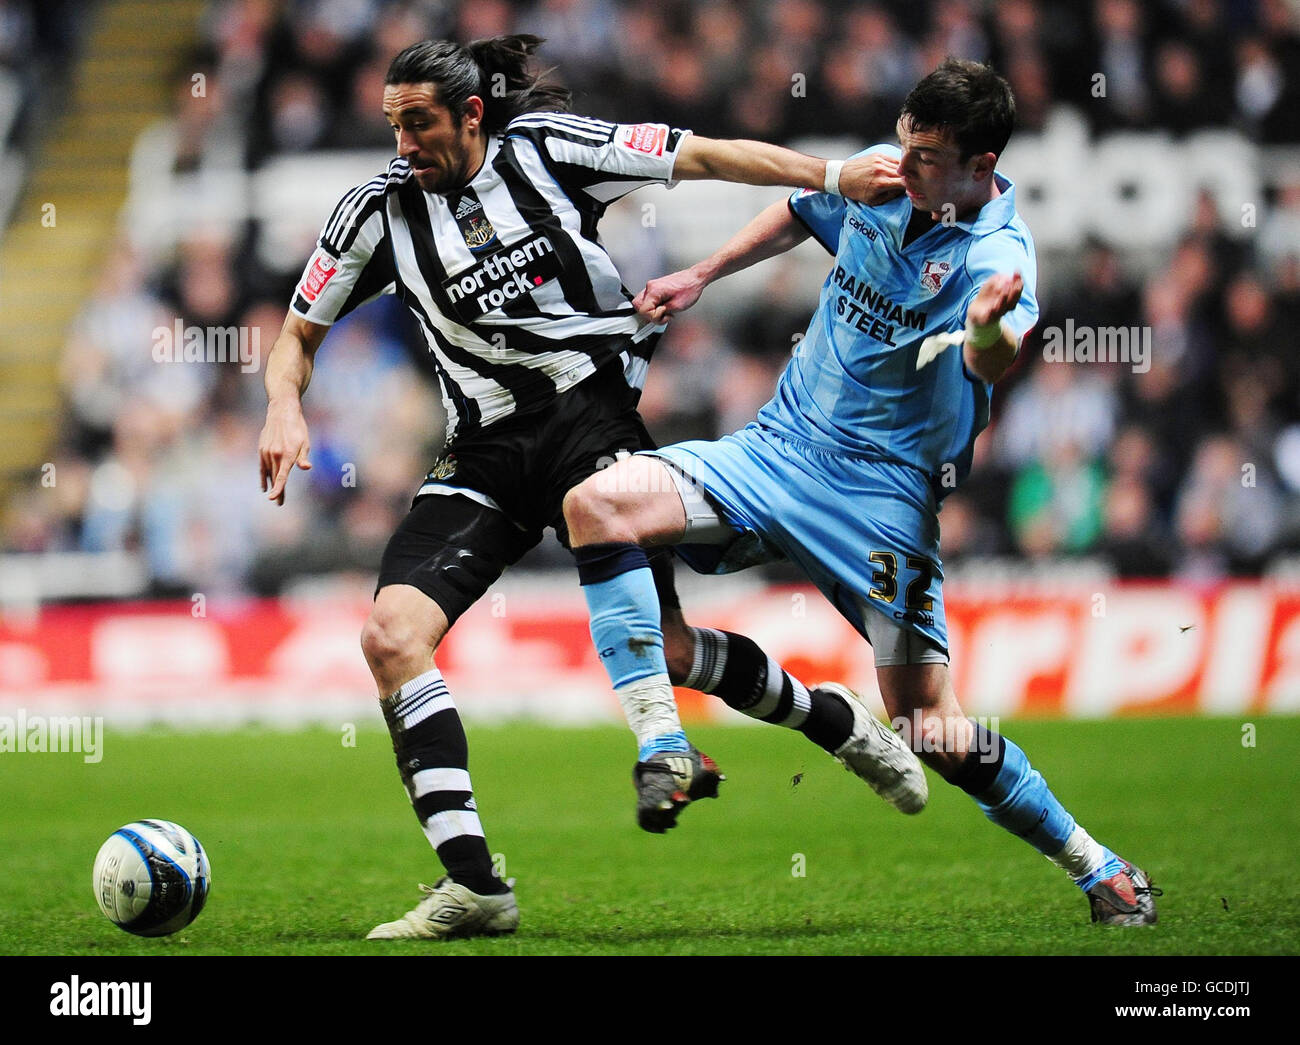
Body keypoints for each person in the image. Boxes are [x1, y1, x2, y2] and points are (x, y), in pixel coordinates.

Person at [257, 35, 926, 942]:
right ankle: (476, 887)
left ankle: (832, 723)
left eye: (419, 125)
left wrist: (833, 173)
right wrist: (282, 408)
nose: (403, 145)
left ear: (471, 116)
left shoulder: (549, 150)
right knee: (390, 636)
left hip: (590, 413)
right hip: (485, 444)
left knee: (676, 651)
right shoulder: (375, 213)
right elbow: (297, 334)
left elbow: (703, 154)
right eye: (393, 126)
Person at [563, 58, 1160, 927]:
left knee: (931, 730)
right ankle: (668, 743)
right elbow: (803, 210)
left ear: (981, 165)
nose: (903, 166)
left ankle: (1096, 864)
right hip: (778, 447)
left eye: (927, 158)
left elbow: (994, 357)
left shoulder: (996, 254)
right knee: (598, 504)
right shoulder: (886, 176)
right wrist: (705, 273)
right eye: (905, 143)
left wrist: (988, 324)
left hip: (882, 501)